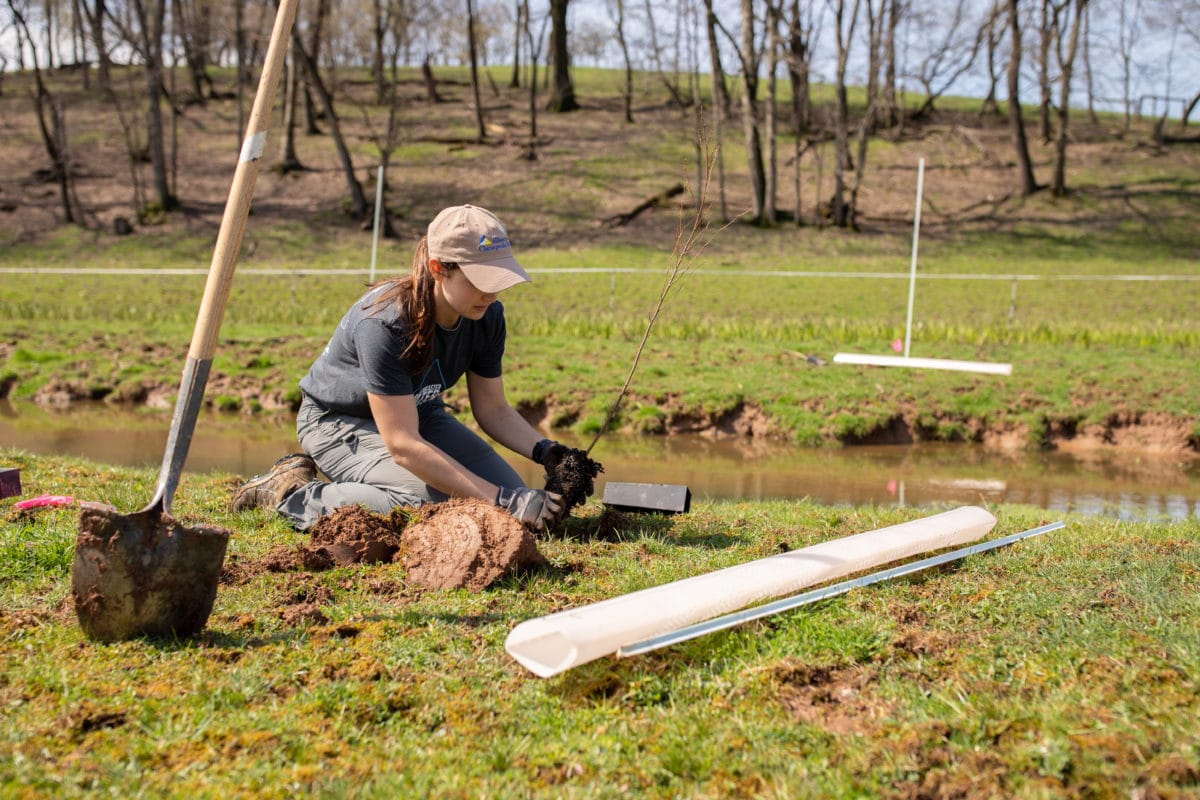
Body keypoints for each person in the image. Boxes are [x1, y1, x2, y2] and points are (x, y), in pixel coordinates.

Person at [231, 204, 567, 531]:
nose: (491, 293)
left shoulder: (487, 316)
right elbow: (403, 444)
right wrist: (502, 500)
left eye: (498, 279)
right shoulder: (385, 323)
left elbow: (493, 409)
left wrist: (548, 452)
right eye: (480, 280)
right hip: (337, 422)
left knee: (507, 493)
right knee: (435, 502)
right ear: (438, 269)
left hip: (420, 413)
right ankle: (290, 494)